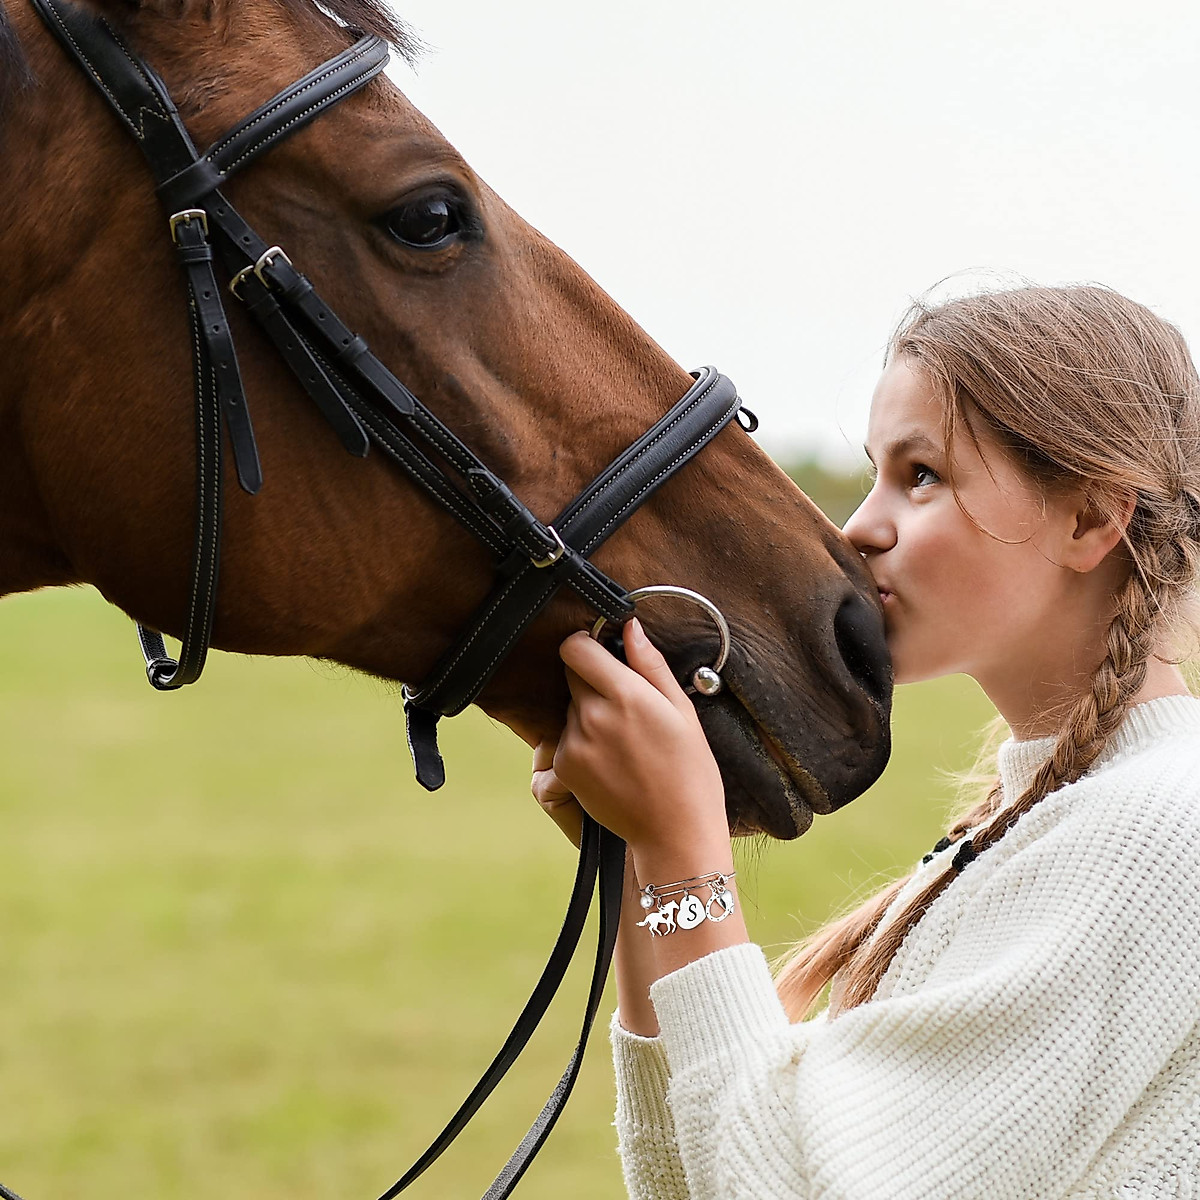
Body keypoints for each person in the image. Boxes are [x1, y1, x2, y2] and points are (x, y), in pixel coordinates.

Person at [530, 284, 1200, 1199]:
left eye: (921, 475)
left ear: (1090, 520)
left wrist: (686, 855)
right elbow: (703, 1176)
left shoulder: (1158, 828)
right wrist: (650, 881)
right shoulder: (1054, 817)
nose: (859, 527)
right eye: (877, 472)